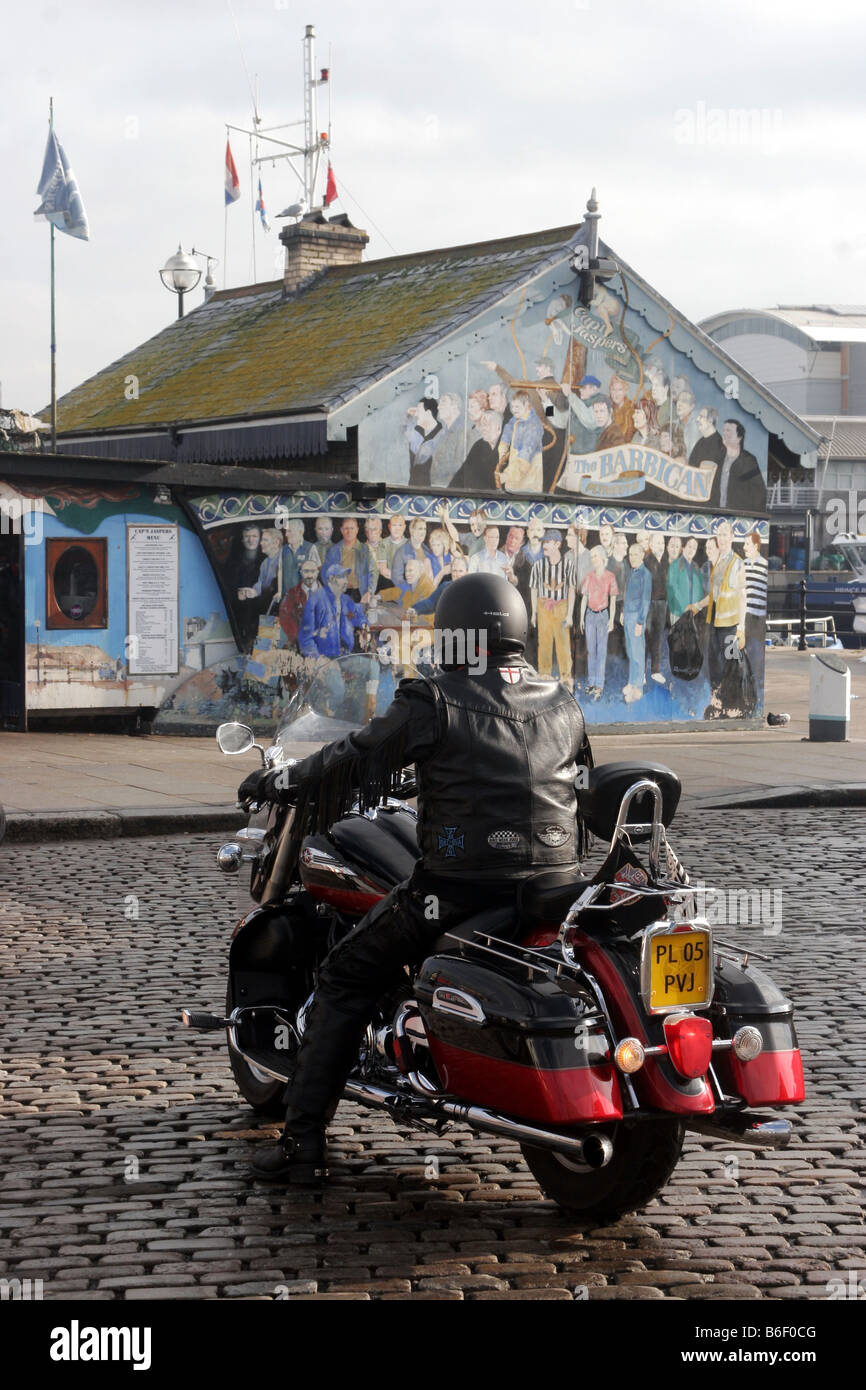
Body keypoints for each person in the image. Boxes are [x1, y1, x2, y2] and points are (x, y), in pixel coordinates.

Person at [239, 574, 593, 1182]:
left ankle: (301, 1147)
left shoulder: (436, 699)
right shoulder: (562, 699)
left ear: (457, 633)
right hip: (554, 888)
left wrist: (287, 779)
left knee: (343, 975)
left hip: (457, 892)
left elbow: (358, 752)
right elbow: (578, 782)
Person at [688, 520, 747, 712]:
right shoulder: (718, 562)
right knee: (714, 663)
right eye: (719, 534)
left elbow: (742, 596)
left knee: (732, 664)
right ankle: (717, 699)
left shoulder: (736, 562)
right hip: (714, 622)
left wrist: (741, 628)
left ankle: (734, 703)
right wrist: (697, 606)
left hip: (730, 624)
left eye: (724, 534)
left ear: (731, 537)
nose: (721, 538)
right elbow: (714, 594)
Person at [530, 530, 575, 690]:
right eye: (543, 542)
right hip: (544, 605)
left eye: (547, 542)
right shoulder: (538, 565)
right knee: (545, 640)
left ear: (557, 544)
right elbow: (534, 589)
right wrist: (534, 612)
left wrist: (569, 614)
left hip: (561, 606)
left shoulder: (568, 565)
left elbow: (571, 590)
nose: (544, 546)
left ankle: (566, 677)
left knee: (563, 642)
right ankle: (544, 674)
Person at [298, 562, 368, 660]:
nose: (346, 581)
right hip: (324, 659)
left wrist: (363, 624)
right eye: (342, 577)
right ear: (331, 579)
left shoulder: (346, 599)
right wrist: (317, 659)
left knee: (373, 667)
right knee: (335, 675)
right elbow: (305, 638)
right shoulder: (316, 600)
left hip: (345, 655)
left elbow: (356, 615)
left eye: (346, 577)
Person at [580, 545, 618, 699]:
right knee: (591, 651)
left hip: (603, 616)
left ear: (603, 558)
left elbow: (613, 600)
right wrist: (581, 618)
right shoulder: (589, 577)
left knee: (601, 652)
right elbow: (584, 598)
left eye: (596, 556)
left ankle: (599, 686)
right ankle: (591, 682)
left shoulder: (610, 577)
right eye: (592, 557)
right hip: (590, 615)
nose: (593, 559)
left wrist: (611, 620)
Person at [710, 420, 767, 512]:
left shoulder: (748, 461)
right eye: (724, 430)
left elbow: (759, 492)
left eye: (729, 431)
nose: (724, 433)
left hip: (739, 517)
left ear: (739, 437)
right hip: (716, 514)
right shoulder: (718, 458)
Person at [621, 542, 652, 704]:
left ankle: (638, 687)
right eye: (630, 554)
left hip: (636, 618)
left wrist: (640, 621)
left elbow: (645, 601)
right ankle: (632, 681)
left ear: (641, 555)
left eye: (635, 554)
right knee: (630, 652)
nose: (632, 557)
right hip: (627, 615)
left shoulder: (645, 574)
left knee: (638, 654)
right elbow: (627, 594)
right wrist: (622, 612)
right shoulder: (631, 572)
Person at [324, 518, 378, 603]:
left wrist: (369, 592)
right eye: (346, 528)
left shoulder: (364, 549)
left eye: (352, 528)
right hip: (339, 593)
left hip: (360, 593)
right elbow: (325, 573)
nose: (349, 532)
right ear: (341, 530)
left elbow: (373, 572)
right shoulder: (333, 550)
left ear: (357, 530)